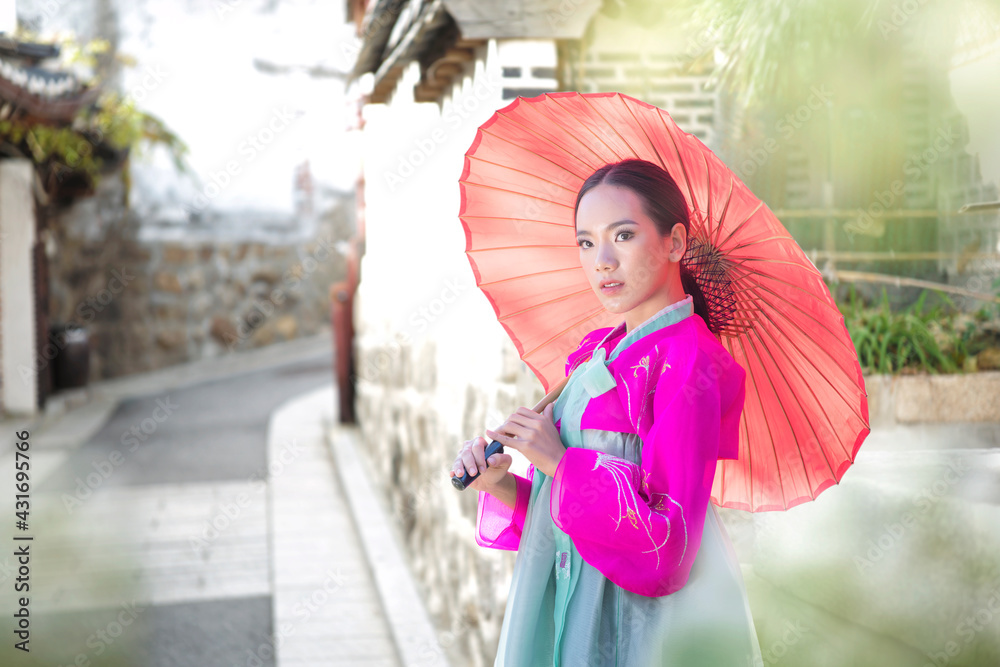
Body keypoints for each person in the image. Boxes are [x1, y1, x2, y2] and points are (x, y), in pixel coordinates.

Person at [450, 158, 763, 666]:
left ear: (675, 243)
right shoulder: (594, 352)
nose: (602, 261)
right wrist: (500, 482)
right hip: (572, 601)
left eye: (622, 235)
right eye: (586, 242)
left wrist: (560, 462)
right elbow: (568, 515)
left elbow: (670, 545)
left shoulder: (691, 363)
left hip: (637, 621)